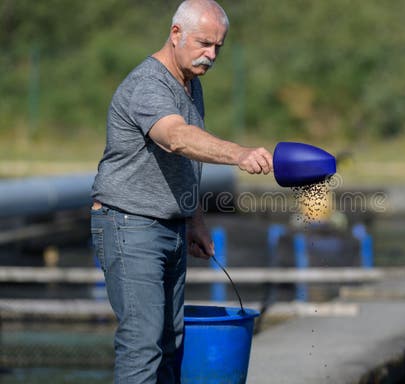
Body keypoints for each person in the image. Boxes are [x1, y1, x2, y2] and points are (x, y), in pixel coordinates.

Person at [90, 0, 273, 382]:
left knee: (172, 342)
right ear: (176, 34)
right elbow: (176, 139)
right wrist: (238, 153)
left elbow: (186, 164)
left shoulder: (191, 84)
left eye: (218, 47)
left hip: (172, 226)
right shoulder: (147, 84)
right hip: (130, 225)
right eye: (205, 43)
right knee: (142, 344)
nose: (212, 55)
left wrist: (195, 221)